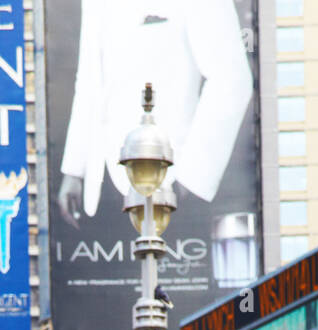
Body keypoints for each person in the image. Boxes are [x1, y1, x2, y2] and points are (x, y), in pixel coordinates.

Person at [55, 0, 253, 230]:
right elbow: (90, 79)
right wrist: (74, 170)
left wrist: (192, 177)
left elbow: (232, 78)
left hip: (169, 180)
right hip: (100, 184)